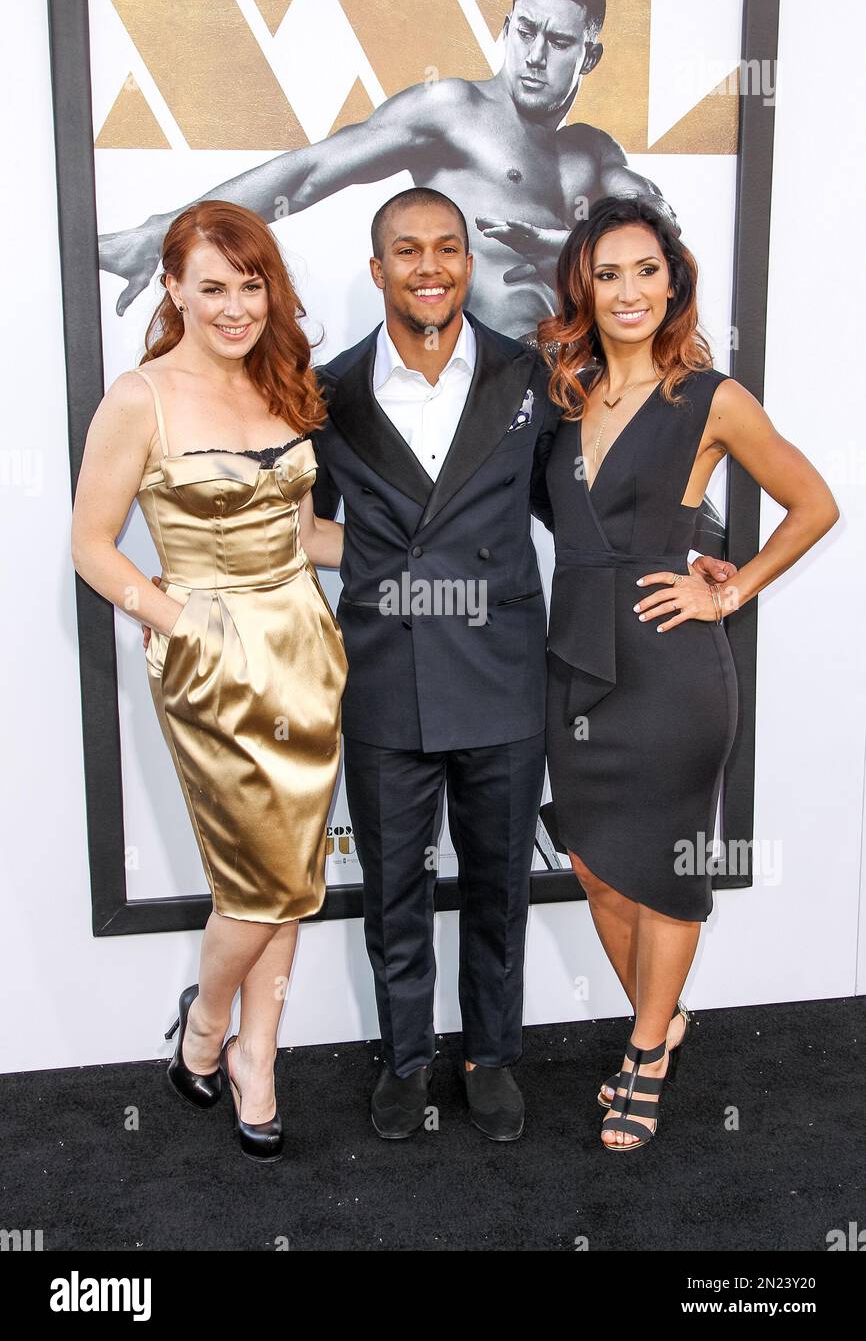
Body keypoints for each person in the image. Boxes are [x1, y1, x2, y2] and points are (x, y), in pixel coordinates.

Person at [310, 185, 732, 1143]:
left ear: (466, 263)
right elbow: (309, 528)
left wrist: (697, 558)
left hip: (505, 675)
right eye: (408, 250)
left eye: (448, 247)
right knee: (393, 888)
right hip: (385, 671)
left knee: (500, 881)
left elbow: (584, 502)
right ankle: (406, 1059)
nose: (430, 266)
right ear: (378, 271)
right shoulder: (327, 391)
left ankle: (492, 1057)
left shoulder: (534, 377)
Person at [537, 195, 839, 1151]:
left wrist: (729, 587)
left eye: (646, 271)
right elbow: (581, 524)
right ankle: (660, 1021)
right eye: (608, 273)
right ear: (585, 285)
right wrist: (700, 539)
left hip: (671, 672)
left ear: (675, 282)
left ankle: (644, 1054)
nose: (629, 291)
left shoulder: (711, 397)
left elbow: (814, 503)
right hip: (576, 659)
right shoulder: (564, 396)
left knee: (665, 871)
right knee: (593, 863)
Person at [71, 201, 348, 1162]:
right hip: (211, 658)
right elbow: (91, 548)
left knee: (292, 874)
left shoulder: (286, 380)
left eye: (253, 283)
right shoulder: (138, 398)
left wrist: (435, 552)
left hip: (306, 647)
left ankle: (256, 1053)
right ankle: (206, 1024)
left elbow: (309, 535)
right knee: (259, 879)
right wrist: (184, 620)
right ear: (175, 289)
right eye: (215, 286)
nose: (237, 306)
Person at [97, 0, 668, 340]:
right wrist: (163, 230)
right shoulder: (454, 109)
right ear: (506, 25)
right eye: (524, 31)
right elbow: (310, 171)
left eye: (560, 40)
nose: (536, 56)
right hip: (473, 397)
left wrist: (568, 250)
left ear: (588, 56)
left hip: (568, 389)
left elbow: (660, 225)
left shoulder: (593, 153)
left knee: (684, 520)